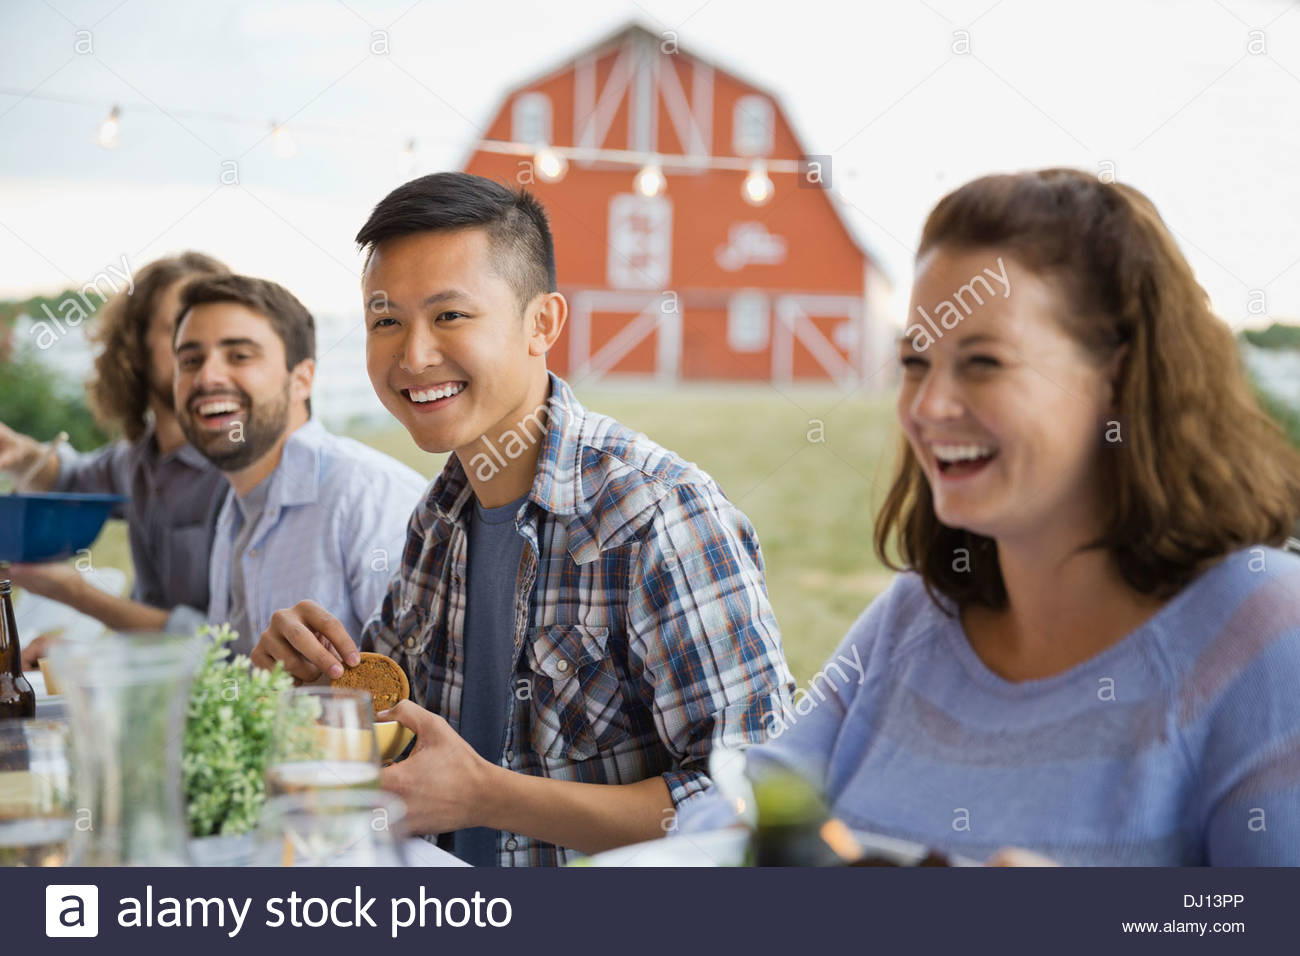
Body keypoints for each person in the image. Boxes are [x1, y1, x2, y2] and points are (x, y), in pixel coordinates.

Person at [682, 169, 1300, 866]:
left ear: (1119, 380)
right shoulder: (912, 620)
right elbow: (741, 806)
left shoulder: (1265, 630)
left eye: (982, 362)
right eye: (915, 361)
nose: (929, 405)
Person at [251, 172, 795, 866]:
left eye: (450, 315)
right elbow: (393, 729)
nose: (412, 355)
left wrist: (490, 796)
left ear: (543, 324)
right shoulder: (437, 518)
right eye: (385, 320)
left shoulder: (662, 517)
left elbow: (754, 807)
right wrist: (312, 689)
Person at [16, 273, 428, 655]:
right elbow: (230, 665)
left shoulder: (367, 496)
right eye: (190, 361)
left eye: (239, 355)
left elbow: (412, 693)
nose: (207, 377)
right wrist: (91, 659)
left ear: (301, 379)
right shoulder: (237, 510)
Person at [0, 252, 230, 662]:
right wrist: (20, 454)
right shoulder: (136, 459)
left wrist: (75, 593)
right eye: (181, 327)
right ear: (134, 347)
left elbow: (223, 644)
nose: (204, 351)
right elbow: (68, 483)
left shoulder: (241, 470)